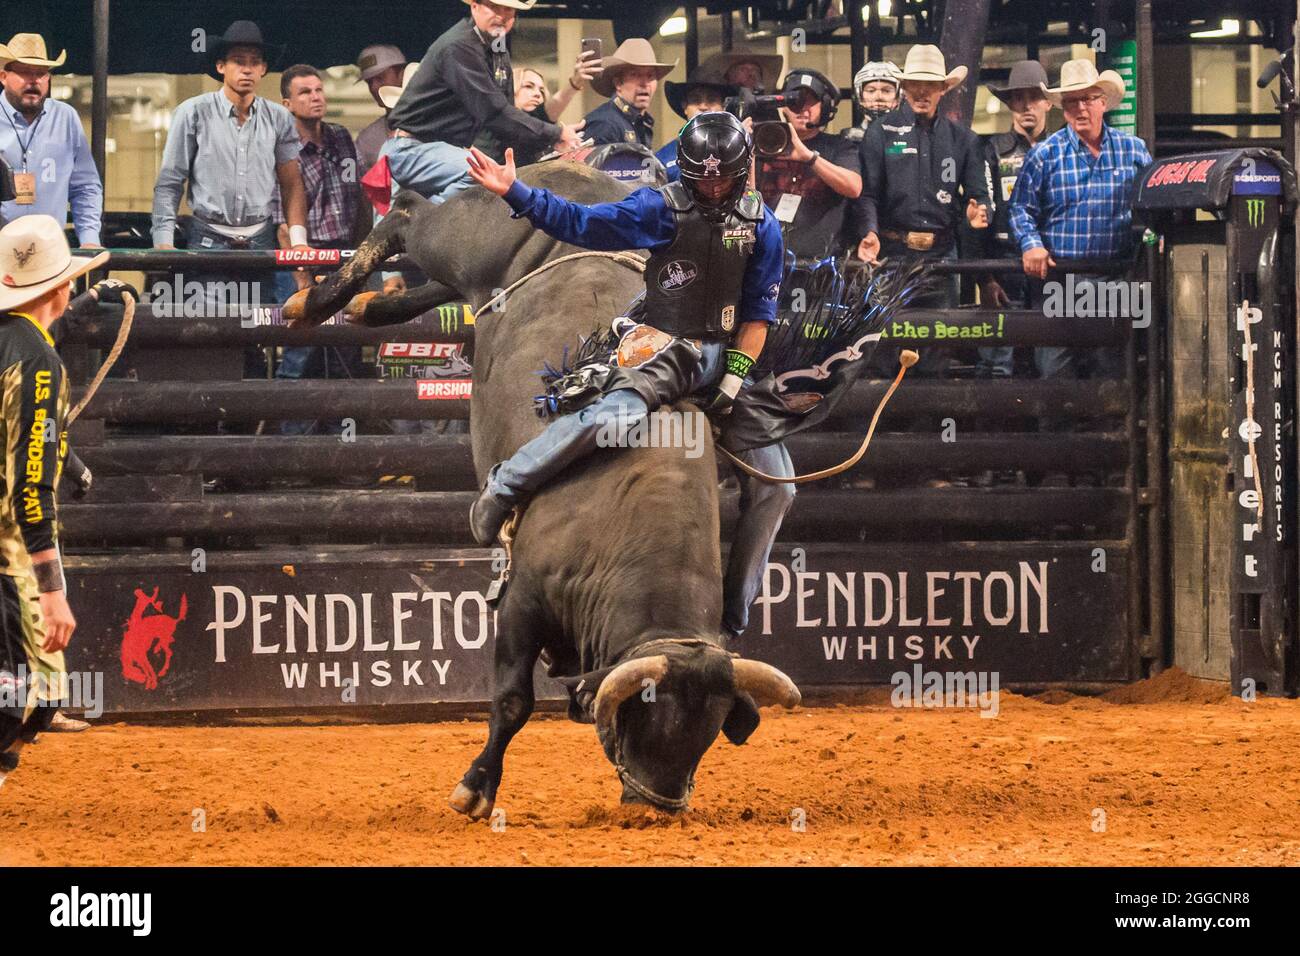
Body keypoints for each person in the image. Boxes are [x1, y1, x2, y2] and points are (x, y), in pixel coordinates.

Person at [465, 112, 793, 642]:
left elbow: (757, 317)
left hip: (725, 357)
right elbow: (582, 223)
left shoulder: (762, 225)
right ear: (685, 172)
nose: (712, 186)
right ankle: (504, 486)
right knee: (610, 416)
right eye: (702, 177)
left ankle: (732, 616)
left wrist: (732, 383)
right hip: (665, 344)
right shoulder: (658, 208)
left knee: (780, 487)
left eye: (722, 177)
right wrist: (519, 194)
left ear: (741, 171)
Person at [0, 215, 108, 788]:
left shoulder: (18, 348)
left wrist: (63, 456)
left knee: (28, 701)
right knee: (23, 699)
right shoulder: (39, 362)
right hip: (8, 558)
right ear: (62, 289)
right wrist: (53, 590)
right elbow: (30, 491)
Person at [1009, 59, 1151, 382]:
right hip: (1060, 279)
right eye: (1072, 101)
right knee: (1055, 371)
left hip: (1114, 278)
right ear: (1063, 108)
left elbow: (1152, 207)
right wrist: (1031, 245)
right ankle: (1059, 431)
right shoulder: (1045, 154)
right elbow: (1020, 209)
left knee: (1112, 371)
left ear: (1103, 102)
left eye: (1088, 99)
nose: (1080, 108)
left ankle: (1109, 431)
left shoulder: (1134, 151)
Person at [857, 44, 992, 375]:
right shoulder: (881, 132)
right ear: (904, 88)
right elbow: (868, 193)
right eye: (915, 84)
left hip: (940, 259)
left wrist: (979, 213)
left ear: (943, 89)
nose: (921, 92)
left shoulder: (963, 139)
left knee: (936, 349)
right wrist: (870, 232)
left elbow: (978, 193)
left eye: (929, 85)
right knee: (883, 344)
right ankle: (886, 423)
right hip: (890, 256)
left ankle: (929, 423)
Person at [380, 0, 582, 206]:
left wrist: (550, 140)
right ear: (474, 5)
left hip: (435, 151)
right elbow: (495, 113)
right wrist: (555, 134)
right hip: (411, 149)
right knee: (482, 173)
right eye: (494, 7)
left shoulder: (496, 47)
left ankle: (416, 221)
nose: (502, 15)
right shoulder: (459, 46)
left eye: (508, 9)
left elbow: (504, 115)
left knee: (488, 174)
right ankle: (419, 222)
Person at [270, 65, 365, 432]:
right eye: (306, 92)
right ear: (288, 103)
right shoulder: (282, 147)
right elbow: (281, 220)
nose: (316, 97)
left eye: (319, 90)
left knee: (345, 352)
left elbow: (357, 200)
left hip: (343, 256)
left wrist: (360, 263)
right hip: (302, 256)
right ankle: (289, 449)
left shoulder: (341, 137)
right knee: (300, 351)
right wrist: (302, 275)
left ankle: (340, 452)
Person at [975, 60, 1053, 378]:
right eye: (1018, 99)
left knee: (1051, 357)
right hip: (1004, 263)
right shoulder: (992, 150)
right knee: (997, 359)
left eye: (1033, 97)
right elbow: (979, 218)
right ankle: (989, 426)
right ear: (1009, 104)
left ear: (1048, 102)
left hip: (1053, 265)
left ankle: (1047, 426)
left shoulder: (1061, 149)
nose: (1026, 107)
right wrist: (985, 278)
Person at [0, 34, 103, 247]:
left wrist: (90, 240)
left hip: (52, 249)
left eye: (41, 73)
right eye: (24, 72)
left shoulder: (66, 117)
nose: (34, 80)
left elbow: (85, 187)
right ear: (3, 76)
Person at [754, 68, 863, 260]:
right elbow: (746, 195)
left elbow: (853, 187)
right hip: (769, 259)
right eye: (795, 100)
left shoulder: (839, 146)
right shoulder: (765, 144)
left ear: (825, 107)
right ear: (784, 107)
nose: (803, 108)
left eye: (812, 101)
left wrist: (809, 158)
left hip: (821, 265)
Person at [475, 53, 603, 166]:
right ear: (510, 89)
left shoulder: (536, 127)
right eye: (528, 86)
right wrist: (559, 133)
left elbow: (545, 114)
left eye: (541, 90)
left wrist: (576, 82)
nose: (537, 94)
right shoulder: (497, 118)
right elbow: (524, 124)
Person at [583, 38, 677, 150]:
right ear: (618, 83)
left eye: (650, 76)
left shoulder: (640, 122)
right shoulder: (605, 124)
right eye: (635, 75)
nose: (645, 83)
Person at [655, 65, 738, 178]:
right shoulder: (661, 159)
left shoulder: (738, 152)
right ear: (685, 107)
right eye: (695, 100)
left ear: (724, 106)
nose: (703, 107)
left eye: (711, 99)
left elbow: (750, 193)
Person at [354, 44, 408, 177]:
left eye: (380, 78)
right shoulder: (366, 140)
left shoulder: (437, 121)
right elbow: (349, 178)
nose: (374, 87)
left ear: (402, 74)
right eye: (369, 82)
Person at [843, 60, 902, 142]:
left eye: (886, 91)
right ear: (860, 97)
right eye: (871, 91)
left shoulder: (912, 137)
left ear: (898, 97)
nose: (878, 97)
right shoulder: (848, 138)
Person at [697, 51, 785, 93]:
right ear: (729, 74)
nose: (751, 74)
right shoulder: (719, 104)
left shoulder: (766, 108)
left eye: (755, 70)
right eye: (743, 69)